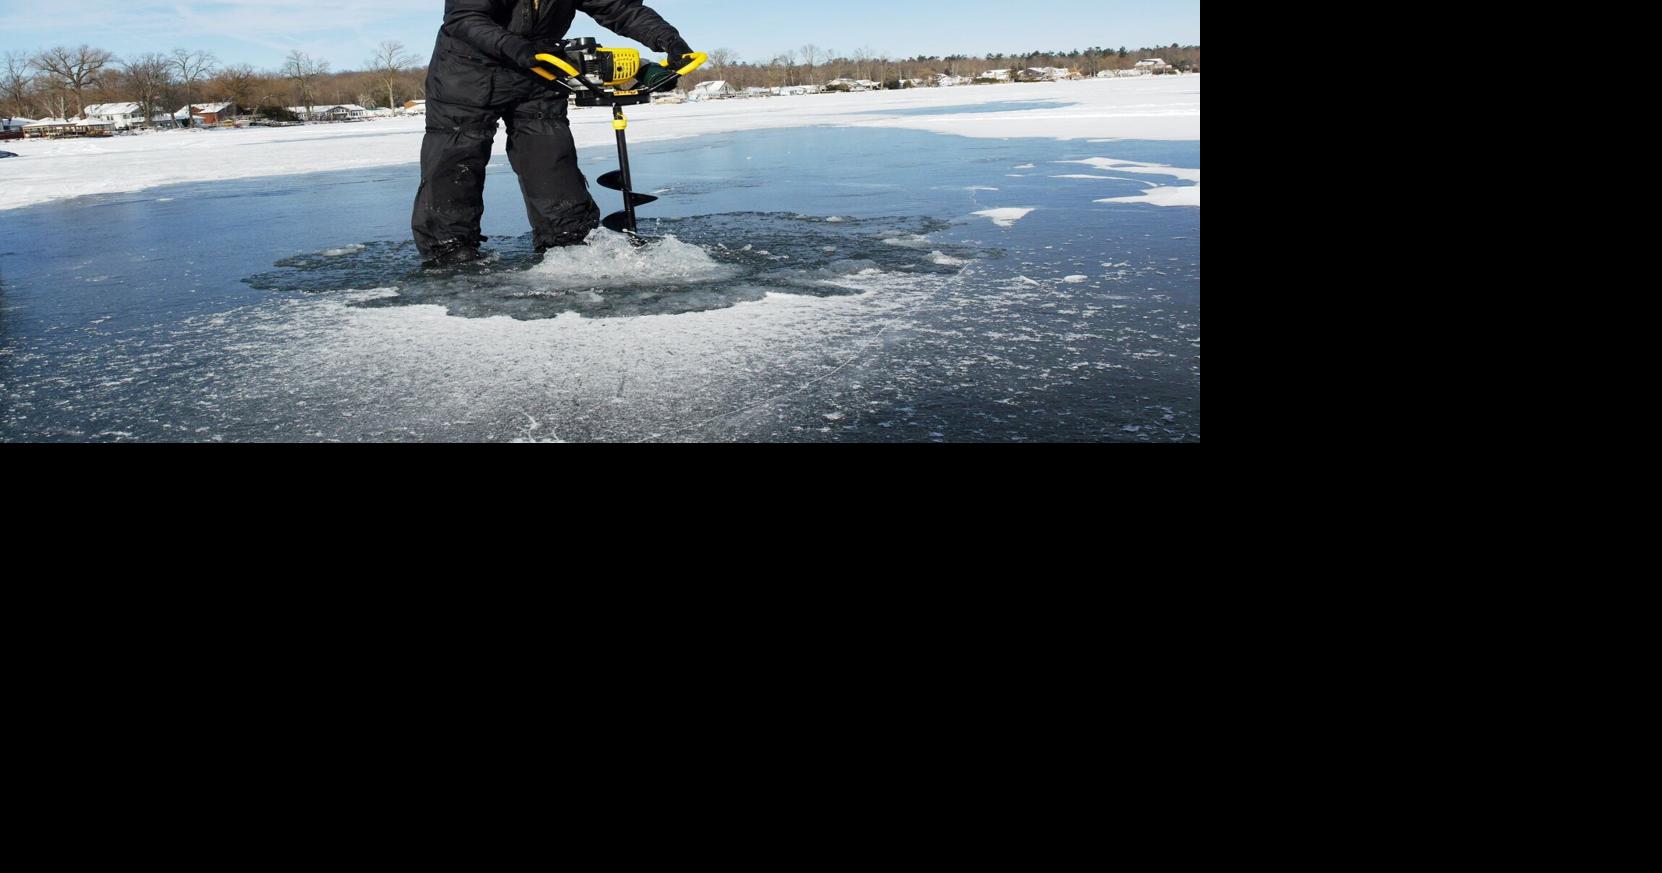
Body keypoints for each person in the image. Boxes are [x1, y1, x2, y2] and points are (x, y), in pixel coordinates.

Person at [413, 0, 694, 266]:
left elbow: (618, 7)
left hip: (539, 73)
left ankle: (567, 237)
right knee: (456, 158)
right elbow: (465, 18)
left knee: (549, 155)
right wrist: (516, 47)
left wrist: (668, 39)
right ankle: (448, 246)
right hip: (466, 75)